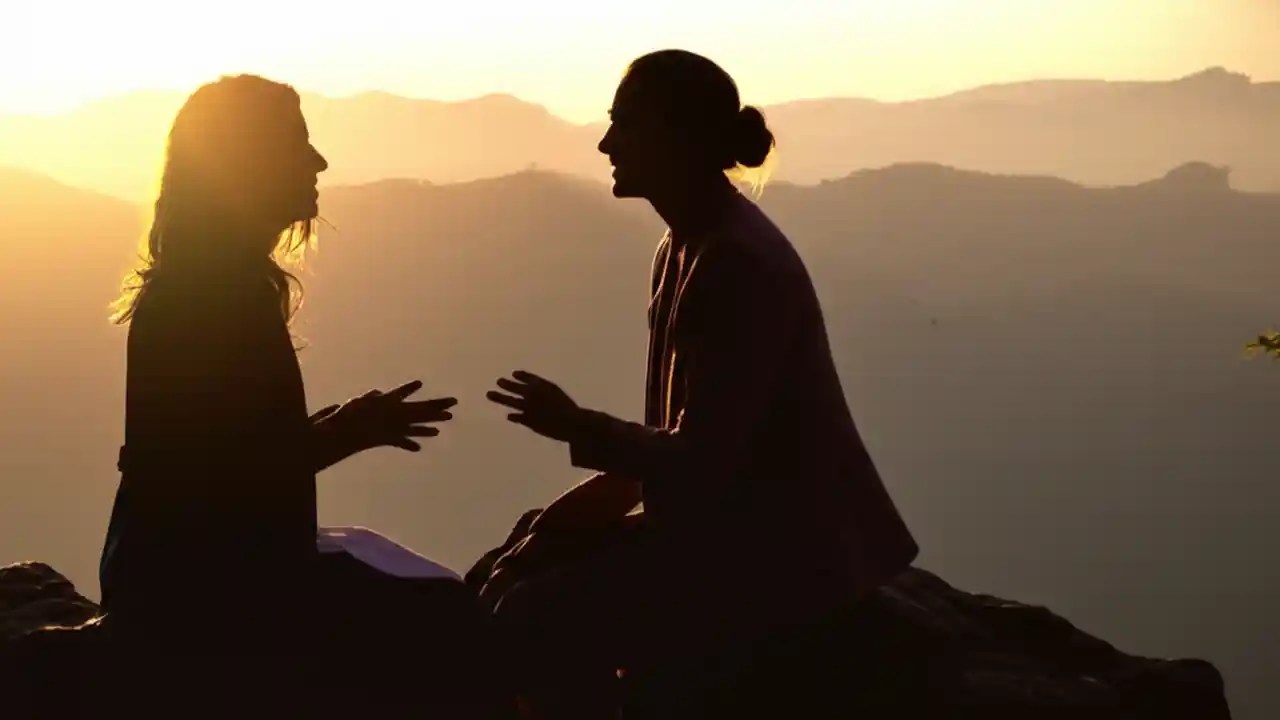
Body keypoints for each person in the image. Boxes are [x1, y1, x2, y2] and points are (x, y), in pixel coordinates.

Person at [482, 50, 919, 717]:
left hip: (780, 560)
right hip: (732, 533)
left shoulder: (735, 265)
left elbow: (706, 458)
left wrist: (578, 428)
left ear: (675, 137)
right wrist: (571, 511)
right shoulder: (685, 247)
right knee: (521, 557)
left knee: (534, 612)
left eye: (622, 124)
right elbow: (683, 443)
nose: (605, 142)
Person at [97, 75, 490, 716]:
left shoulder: (204, 285)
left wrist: (336, 427)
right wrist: (346, 432)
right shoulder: (217, 294)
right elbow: (222, 475)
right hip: (204, 596)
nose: (318, 163)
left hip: (166, 574)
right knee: (445, 613)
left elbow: (223, 445)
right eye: (298, 144)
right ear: (247, 162)